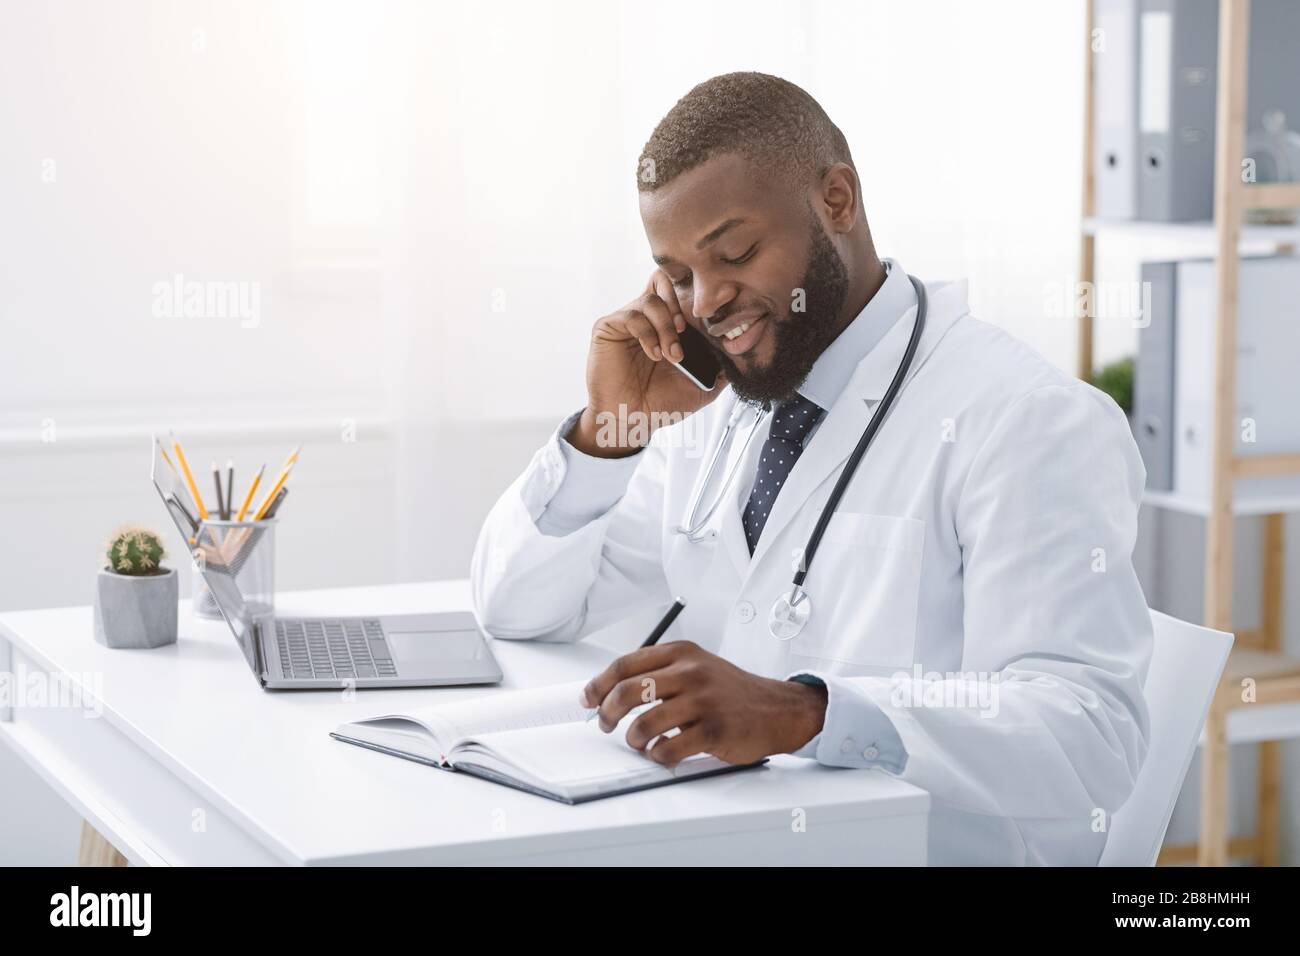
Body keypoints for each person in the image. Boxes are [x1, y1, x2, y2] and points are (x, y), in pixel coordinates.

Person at [471, 72, 1151, 865]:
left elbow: (1092, 729)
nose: (709, 303)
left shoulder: (1025, 418)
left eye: (735, 253)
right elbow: (518, 610)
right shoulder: (719, 409)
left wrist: (809, 712)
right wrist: (606, 432)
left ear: (837, 201)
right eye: (680, 275)